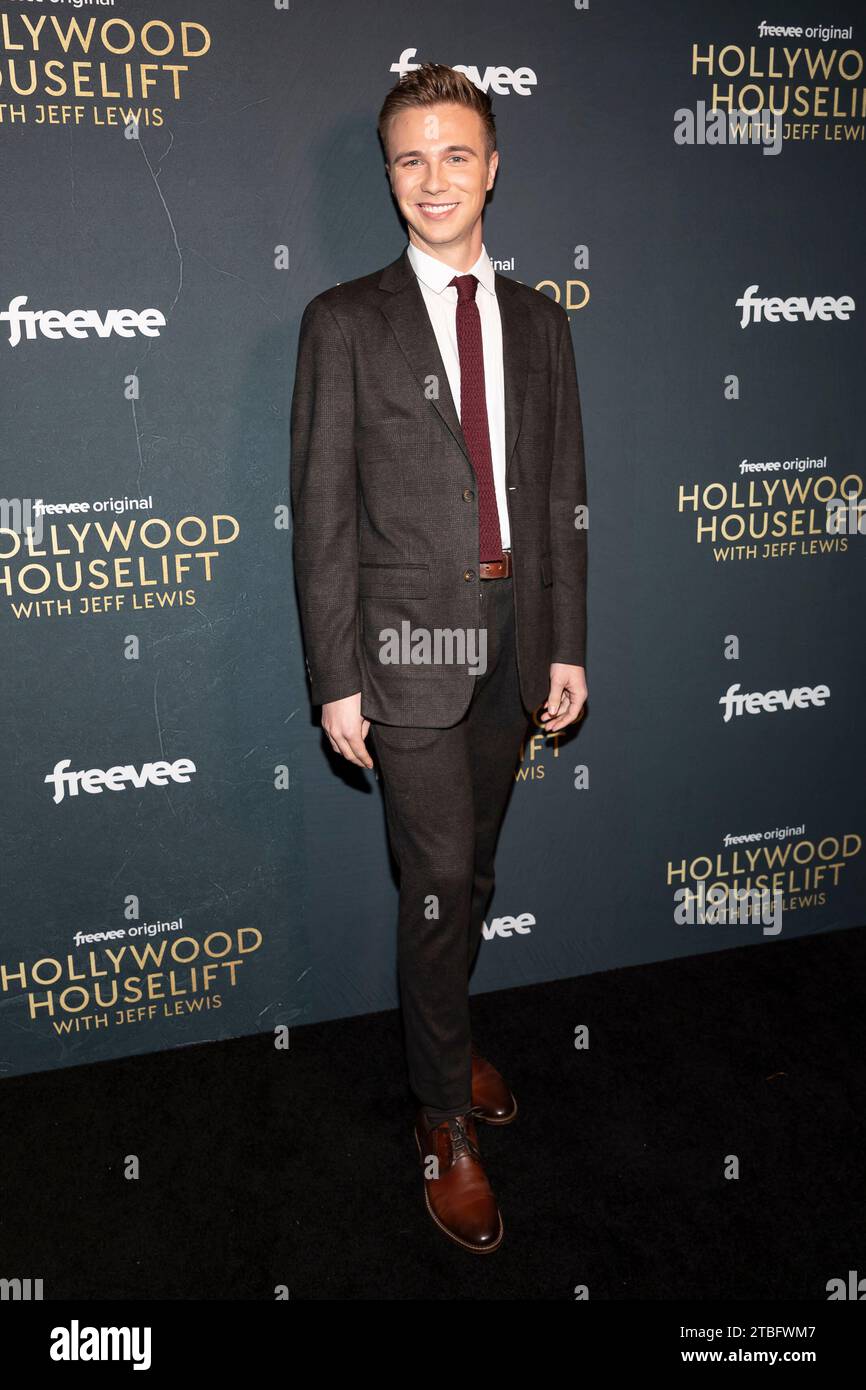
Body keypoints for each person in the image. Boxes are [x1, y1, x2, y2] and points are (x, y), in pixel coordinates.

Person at [291, 62, 588, 1254]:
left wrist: (565, 641)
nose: (432, 178)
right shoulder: (343, 321)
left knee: (471, 882)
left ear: (491, 166)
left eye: (454, 154)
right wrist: (333, 675)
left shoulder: (537, 319)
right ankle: (438, 1116)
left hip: (513, 637)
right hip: (405, 649)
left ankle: (446, 1041)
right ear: (388, 173)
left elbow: (561, 491)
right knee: (431, 886)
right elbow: (319, 514)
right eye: (409, 157)